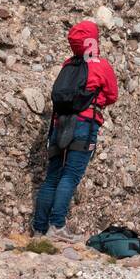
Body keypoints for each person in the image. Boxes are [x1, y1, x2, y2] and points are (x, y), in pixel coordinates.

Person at [32, 19, 118, 239]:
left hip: (60, 124)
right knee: (70, 176)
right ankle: (57, 226)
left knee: (52, 177)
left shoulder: (68, 64)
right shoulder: (100, 65)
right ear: (93, 40)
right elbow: (112, 96)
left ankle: (39, 228)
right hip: (85, 125)